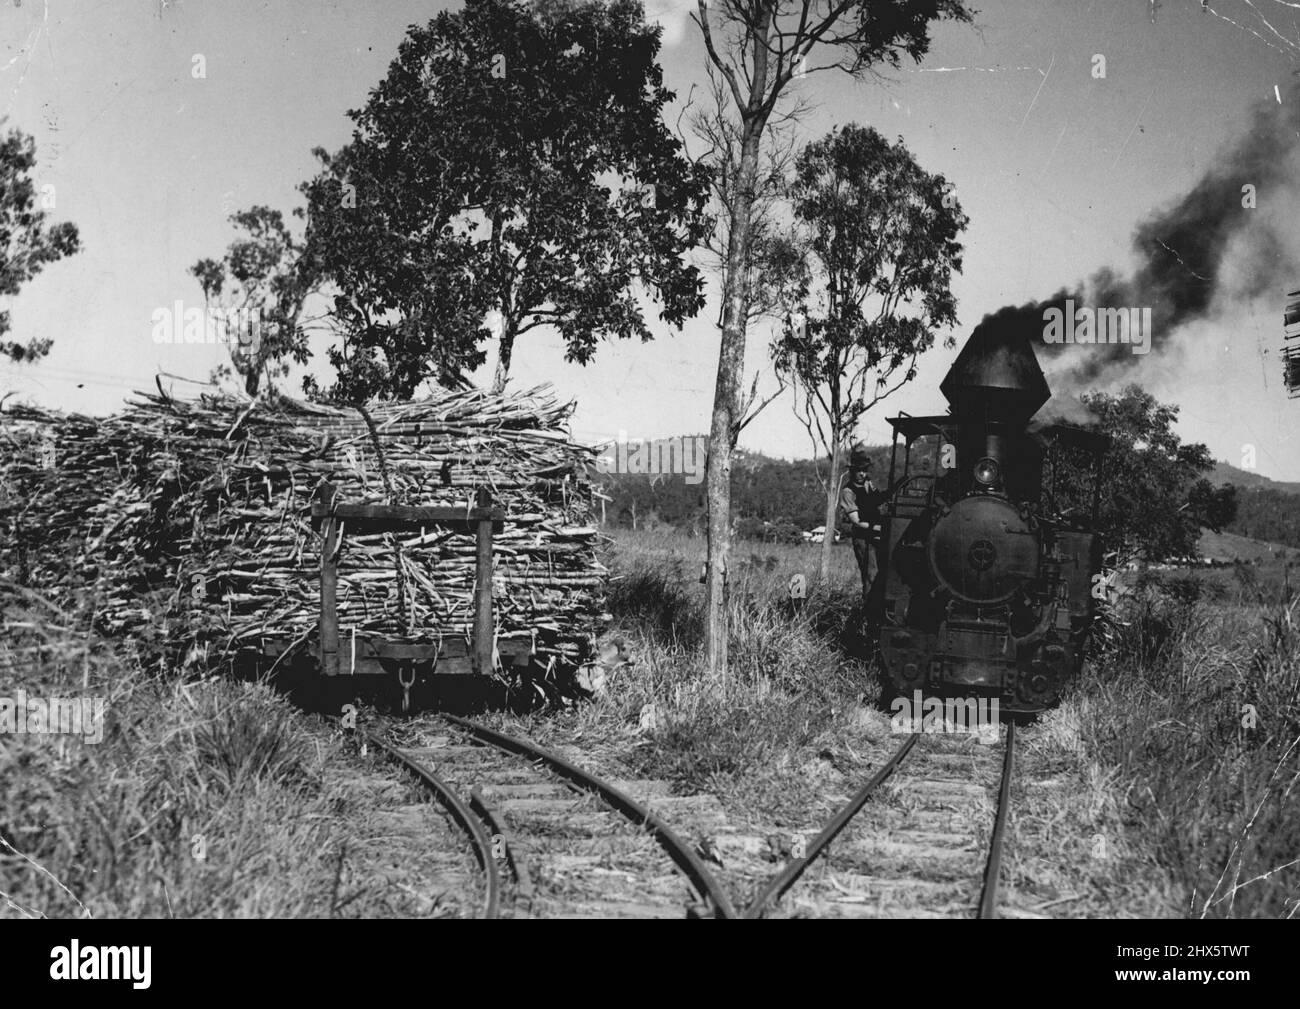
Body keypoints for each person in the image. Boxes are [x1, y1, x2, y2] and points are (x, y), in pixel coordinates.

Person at [839, 442, 886, 604]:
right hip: (863, 539)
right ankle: (868, 611)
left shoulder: (869, 485)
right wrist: (878, 528)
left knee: (882, 574)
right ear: (852, 471)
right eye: (859, 470)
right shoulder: (848, 492)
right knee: (871, 575)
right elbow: (857, 522)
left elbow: (879, 500)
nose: (862, 474)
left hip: (878, 536)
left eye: (864, 470)